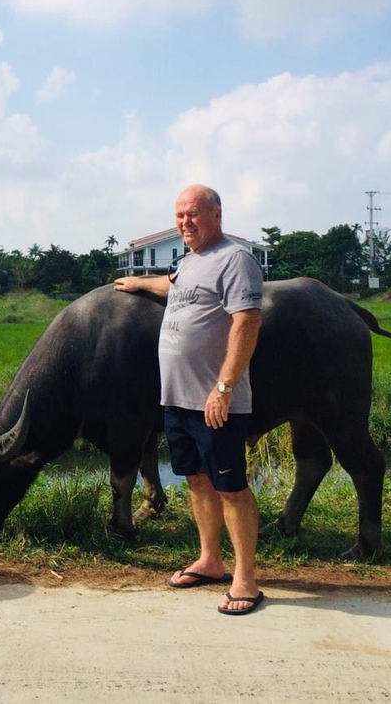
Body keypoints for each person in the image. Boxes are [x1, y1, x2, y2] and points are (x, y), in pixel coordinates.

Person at [114, 185, 264, 615]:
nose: (185, 222)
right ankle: (210, 560)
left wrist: (224, 386)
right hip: (177, 399)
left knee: (231, 487)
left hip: (214, 400)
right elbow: (174, 286)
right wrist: (139, 282)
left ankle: (246, 579)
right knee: (197, 482)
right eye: (180, 215)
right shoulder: (190, 262)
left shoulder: (236, 260)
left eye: (194, 214)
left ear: (217, 214)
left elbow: (248, 321)